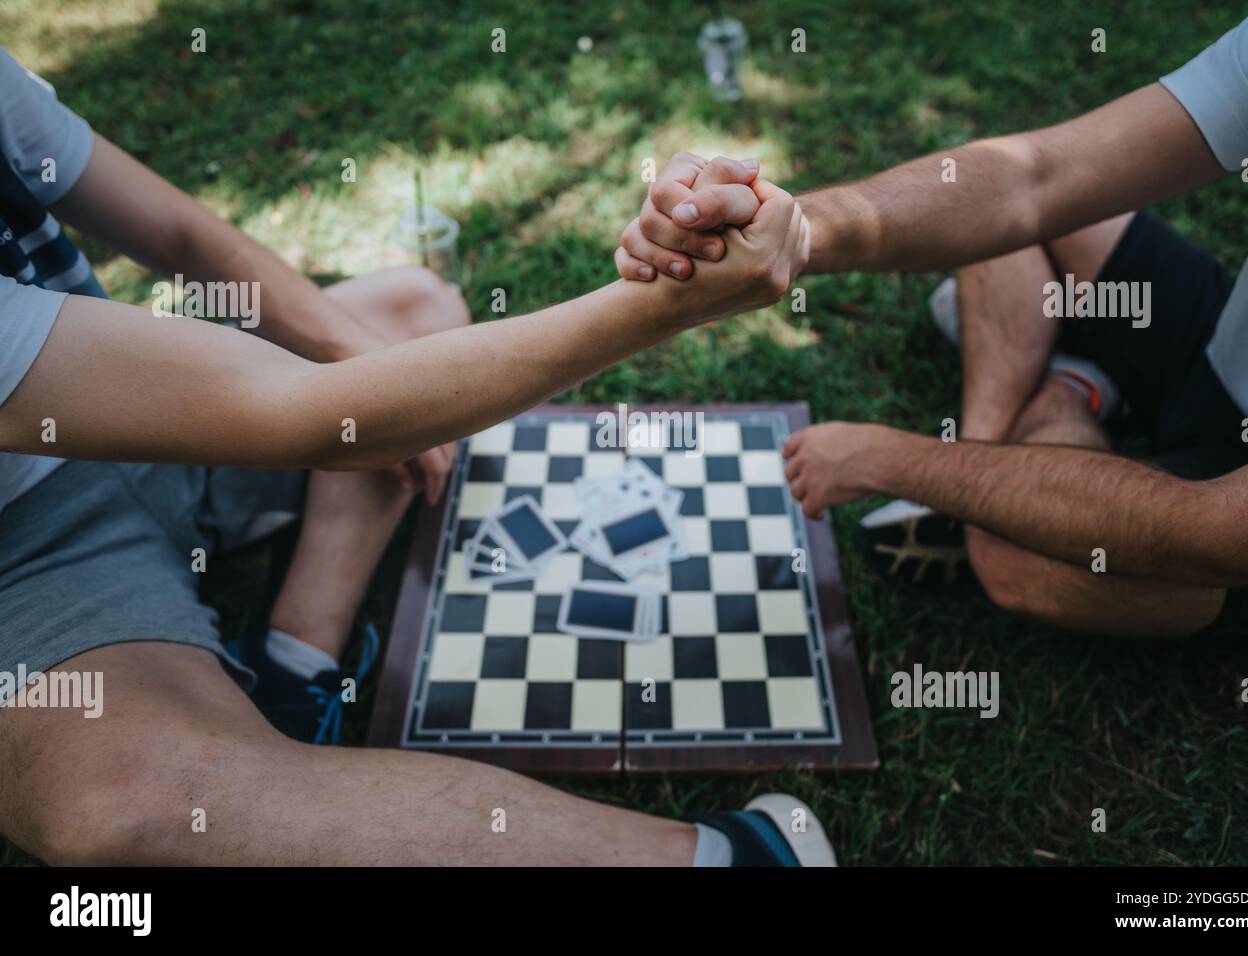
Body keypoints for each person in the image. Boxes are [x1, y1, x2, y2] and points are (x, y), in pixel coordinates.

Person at [0, 47, 833, 866]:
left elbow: (183, 233)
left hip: (139, 422)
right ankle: (731, 858)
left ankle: (297, 664)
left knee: (415, 307)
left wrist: (368, 368)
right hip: (27, 555)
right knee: (121, 797)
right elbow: (307, 420)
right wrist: (659, 306)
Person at [618, 0, 1248, 639]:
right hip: (1234, 338)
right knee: (994, 228)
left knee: (1014, 562)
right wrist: (794, 232)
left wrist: (888, 459)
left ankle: (1064, 395)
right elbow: (1031, 180)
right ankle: (1060, 402)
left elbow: (1203, 529)